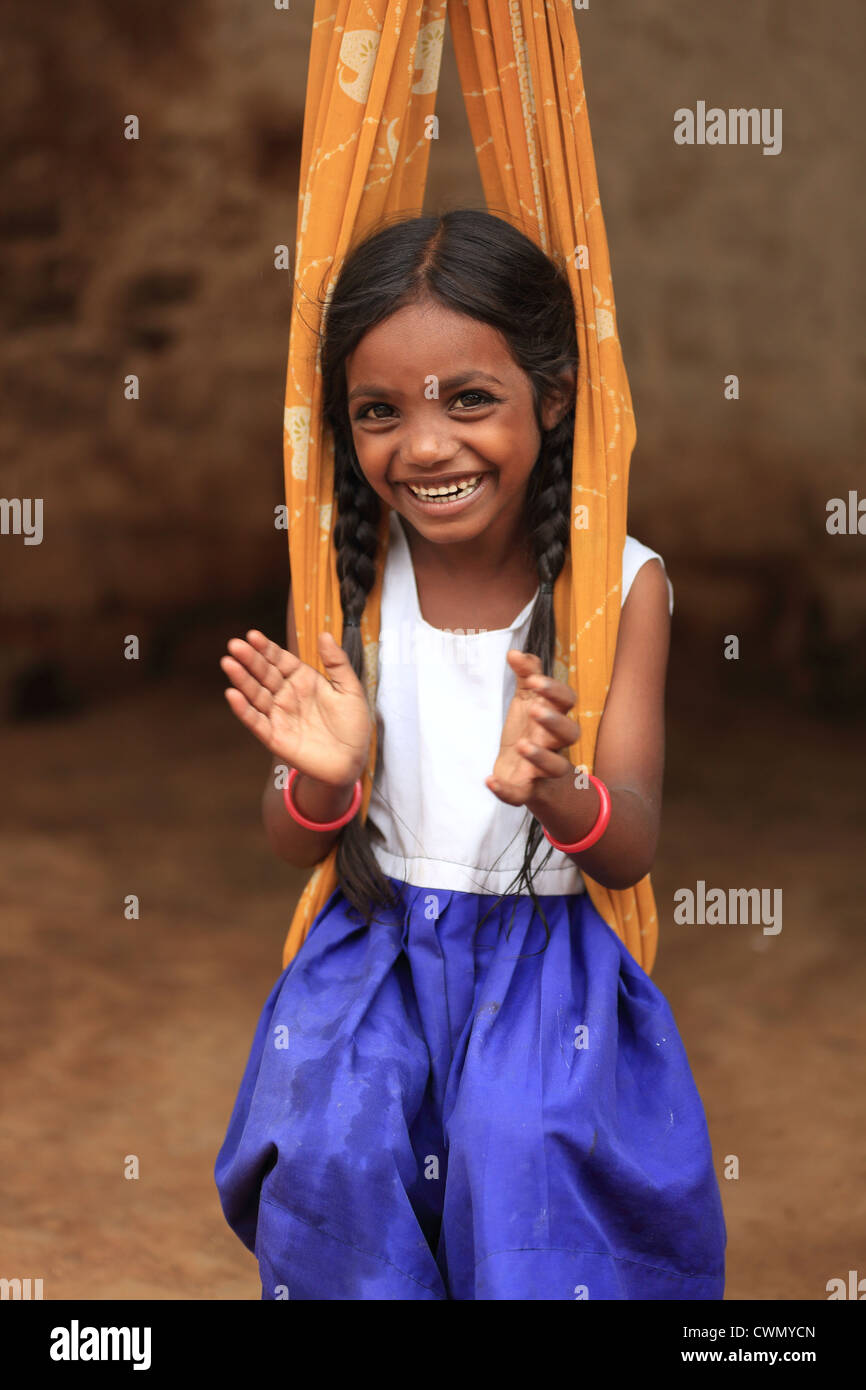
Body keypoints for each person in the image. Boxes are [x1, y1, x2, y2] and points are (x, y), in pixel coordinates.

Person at [214, 210, 727, 1300]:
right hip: (376, 953)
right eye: (378, 411)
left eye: (469, 398)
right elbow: (283, 833)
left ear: (550, 397)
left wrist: (558, 787)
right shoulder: (349, 578)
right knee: (334, 1141)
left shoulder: (616, 587)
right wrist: (326, 777)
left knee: (520, 1151)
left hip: (546, 968)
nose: (425, 444)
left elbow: (627, 846)